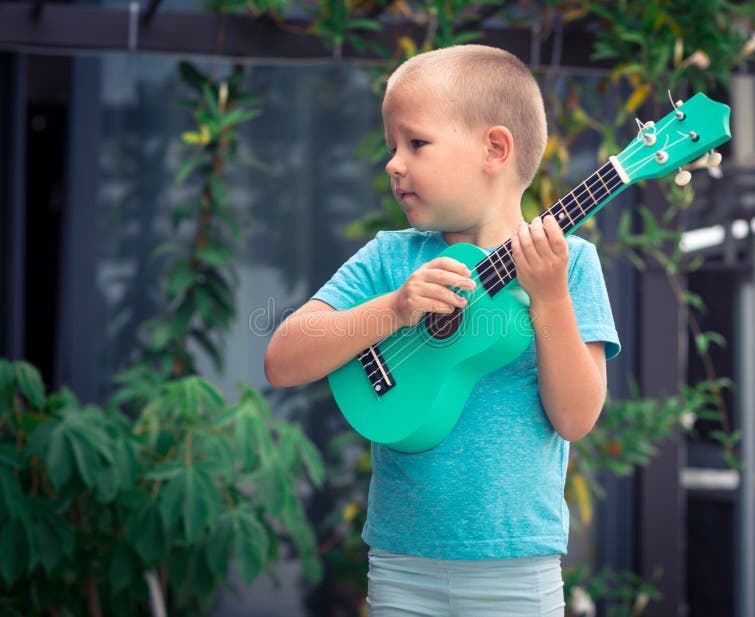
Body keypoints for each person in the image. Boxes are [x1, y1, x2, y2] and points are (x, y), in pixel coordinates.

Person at [264, 44, 620, 617]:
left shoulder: (569, 265)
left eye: (416, 143)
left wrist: (550, 298)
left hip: (517, 568)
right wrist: (394, 308)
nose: (393, 163)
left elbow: (576, 418)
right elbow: (283, 360)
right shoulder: (390, 258)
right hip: (401, 562)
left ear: (494, 149)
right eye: (392, 146)